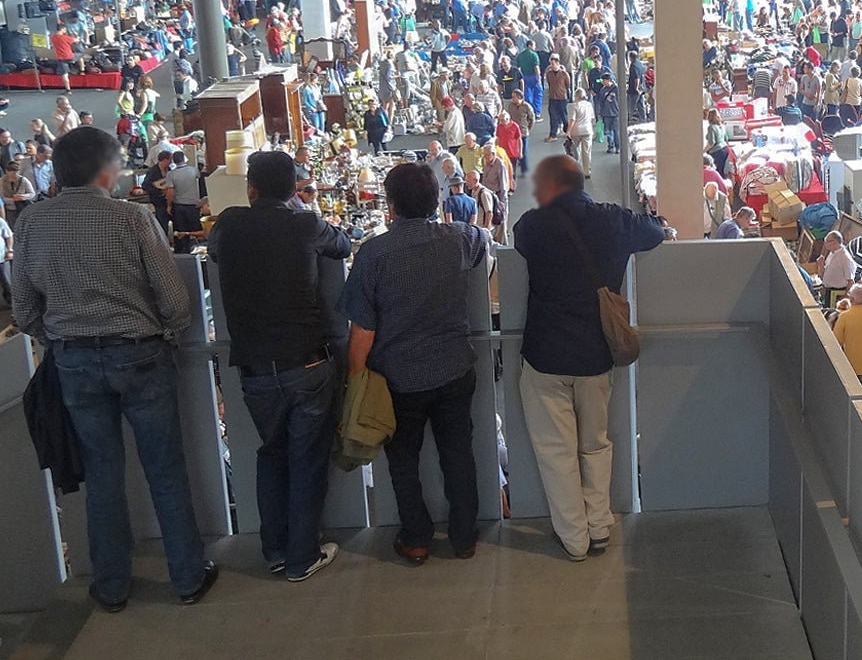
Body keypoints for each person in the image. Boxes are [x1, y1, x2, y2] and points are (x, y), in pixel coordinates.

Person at [10, 126, 216, 610]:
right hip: (140, 353)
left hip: (74, 360)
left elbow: (24, 311)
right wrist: (164, 335)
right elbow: (174, 300)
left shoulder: (32, 224)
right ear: (108, 171)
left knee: (102, 474)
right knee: (164, 468)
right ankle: (187, 577)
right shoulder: (131, 219)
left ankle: (112, 585)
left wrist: (59, 339)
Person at [513, 154, 665, 562]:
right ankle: (599, 527)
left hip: (545, 356)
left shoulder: (533, 225)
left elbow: (518, 240)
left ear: (549, 187)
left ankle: (575, 539)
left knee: (555, 451)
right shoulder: (612, 220)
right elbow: (654, 232)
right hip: (597, 354)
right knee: (596, 444)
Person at [208, 150, 350, 581]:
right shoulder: (303, 224)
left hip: (254, 368)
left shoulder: (230, 224)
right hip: (307, 361)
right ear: (294, 191)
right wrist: (303, 209)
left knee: (271, 454)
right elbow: (342, 244)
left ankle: (274, 549)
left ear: (250, 189)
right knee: (307, 460)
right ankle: (302, 555)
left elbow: (214, 254)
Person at [344, 162, 489, 565]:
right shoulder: (459, 238)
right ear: (437, 200)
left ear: (390, 206)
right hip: (454, 367)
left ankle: (416, 539)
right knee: (458, 453)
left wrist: (355, 384)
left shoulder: (373, 254)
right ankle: (463, 537)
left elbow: (362, 332)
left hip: (397, 378)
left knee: (404, 460)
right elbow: (483, 239)